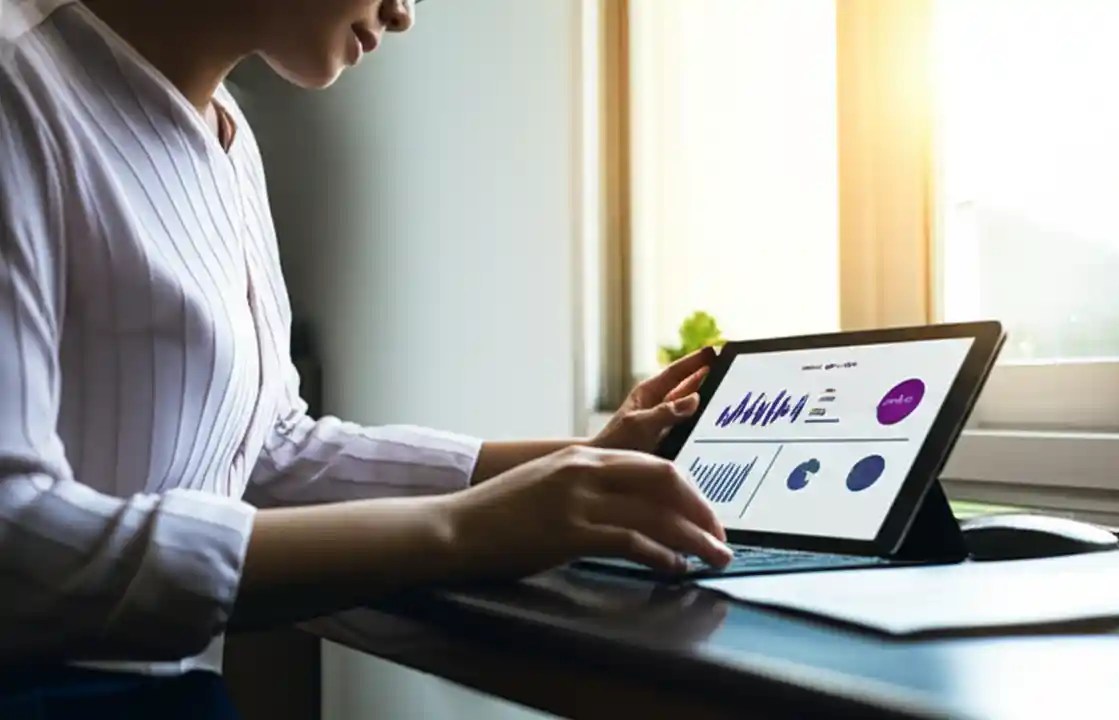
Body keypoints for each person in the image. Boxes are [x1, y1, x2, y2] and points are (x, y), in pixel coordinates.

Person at [0, 0, 732, 715]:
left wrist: (581, 463)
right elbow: (14, 539)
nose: (405, 12)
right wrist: (463, 531)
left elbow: (264, 453)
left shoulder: (226, 135)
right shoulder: (17, 88)